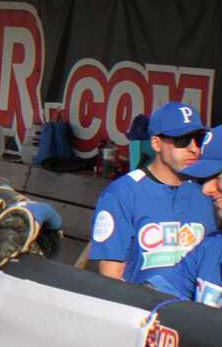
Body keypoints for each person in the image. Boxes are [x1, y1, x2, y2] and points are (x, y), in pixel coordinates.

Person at [88, 102, 216, 285]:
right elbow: (111, 278)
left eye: (199, 139)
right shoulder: (122, 193)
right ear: (156, 143)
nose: (193, 148)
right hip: (141, 308)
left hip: (194, 310)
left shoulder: (205, 194)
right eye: (182, 140)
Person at [147, 131, 222, 306]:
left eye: (216, 177)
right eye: (205, 179)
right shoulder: (211, 247)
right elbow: (158, 297)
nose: (206, 189)